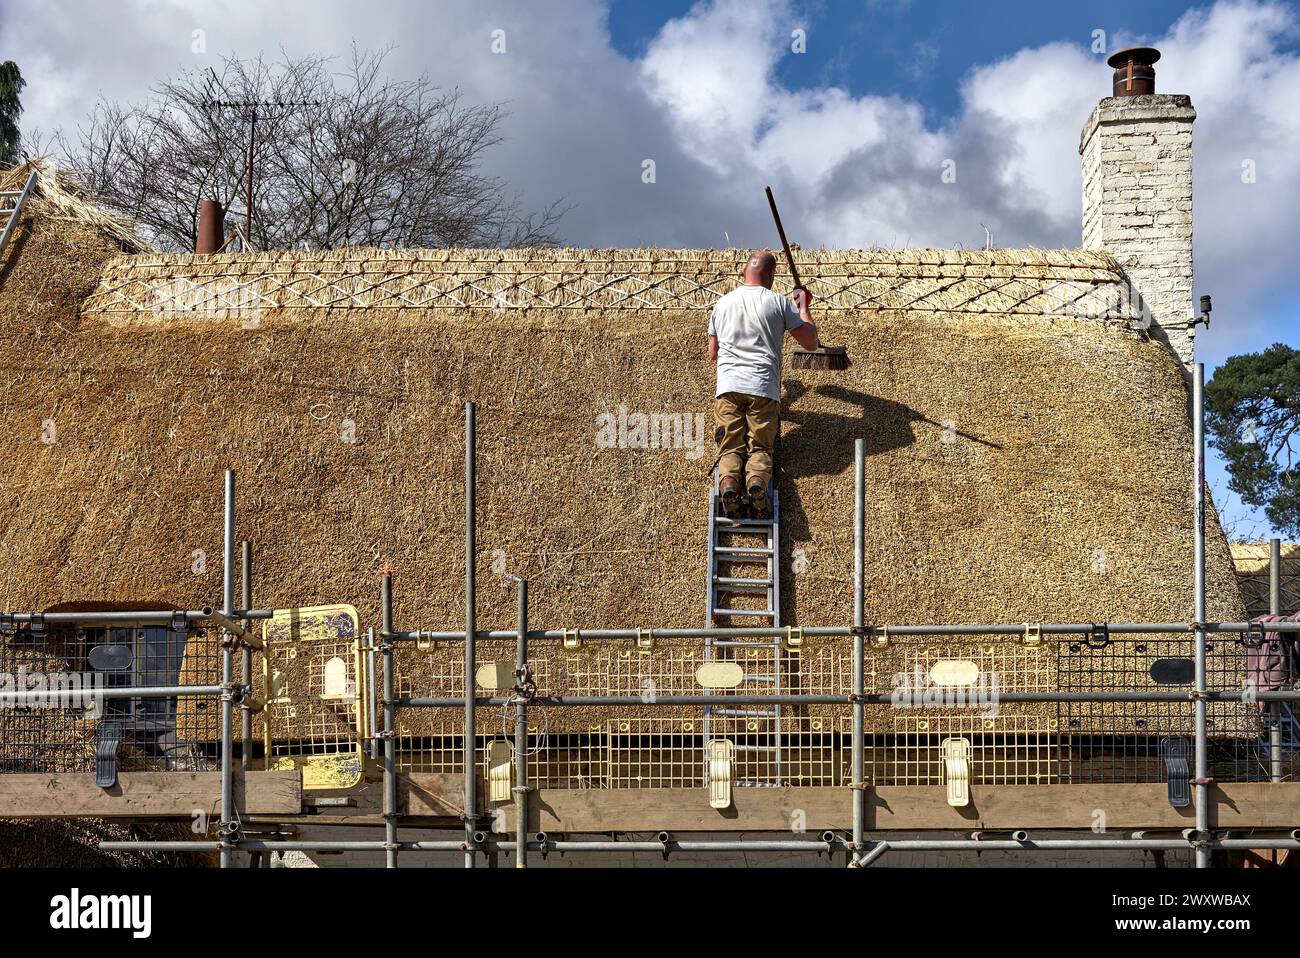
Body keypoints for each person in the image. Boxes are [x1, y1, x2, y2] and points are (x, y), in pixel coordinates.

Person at [708, 250, 819, 518]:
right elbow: (811, 342)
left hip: (728, 388)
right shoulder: (778, 303)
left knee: (730, 446)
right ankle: (756, 481)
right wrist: (802, 306)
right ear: (771, 275)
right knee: (759, 446)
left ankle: (729, 484)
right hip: (763, 389)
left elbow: (713, 353)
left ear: (745, 272)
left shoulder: (722, 304)